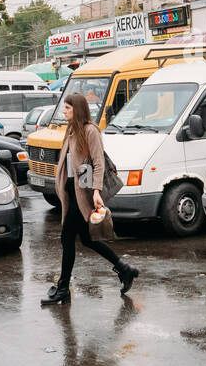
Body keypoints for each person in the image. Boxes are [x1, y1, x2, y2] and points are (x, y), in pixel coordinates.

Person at [42, 92, 138, 306]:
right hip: (71, 193)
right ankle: (125, 269)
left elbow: (98, 162)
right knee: (87, 239)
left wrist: (96, 191)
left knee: (67, 239)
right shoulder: (71, 130)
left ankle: (63, 289)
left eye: (67, 108)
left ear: (77, 109)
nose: (64, 111)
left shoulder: (89, 131)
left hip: (82, 194)